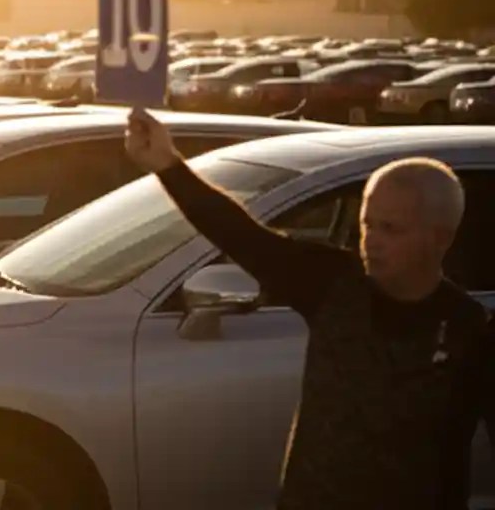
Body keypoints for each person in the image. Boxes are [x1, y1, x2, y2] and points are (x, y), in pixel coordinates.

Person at [125, 107, 495, 510]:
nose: (371, 240)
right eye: (368, 223)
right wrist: (167, 164)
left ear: (439, 238)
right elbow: (242, 235)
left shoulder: (470, 333)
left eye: (392, 229)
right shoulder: (331, 283)